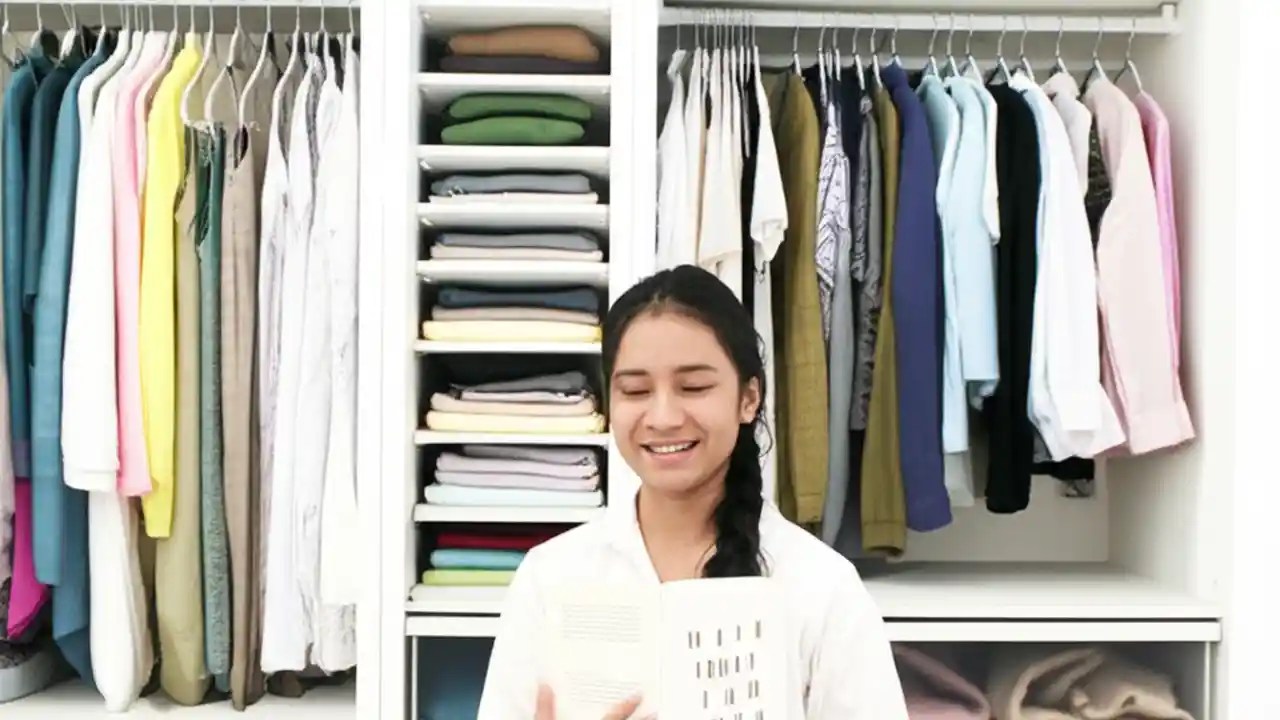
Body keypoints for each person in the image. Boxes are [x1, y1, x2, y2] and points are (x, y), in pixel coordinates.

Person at [476, 265, 908, 719]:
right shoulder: (550, 578)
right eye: (636, 390)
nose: (662, 417)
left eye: (694, 387)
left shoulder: (821, 588)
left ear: (748, 398)